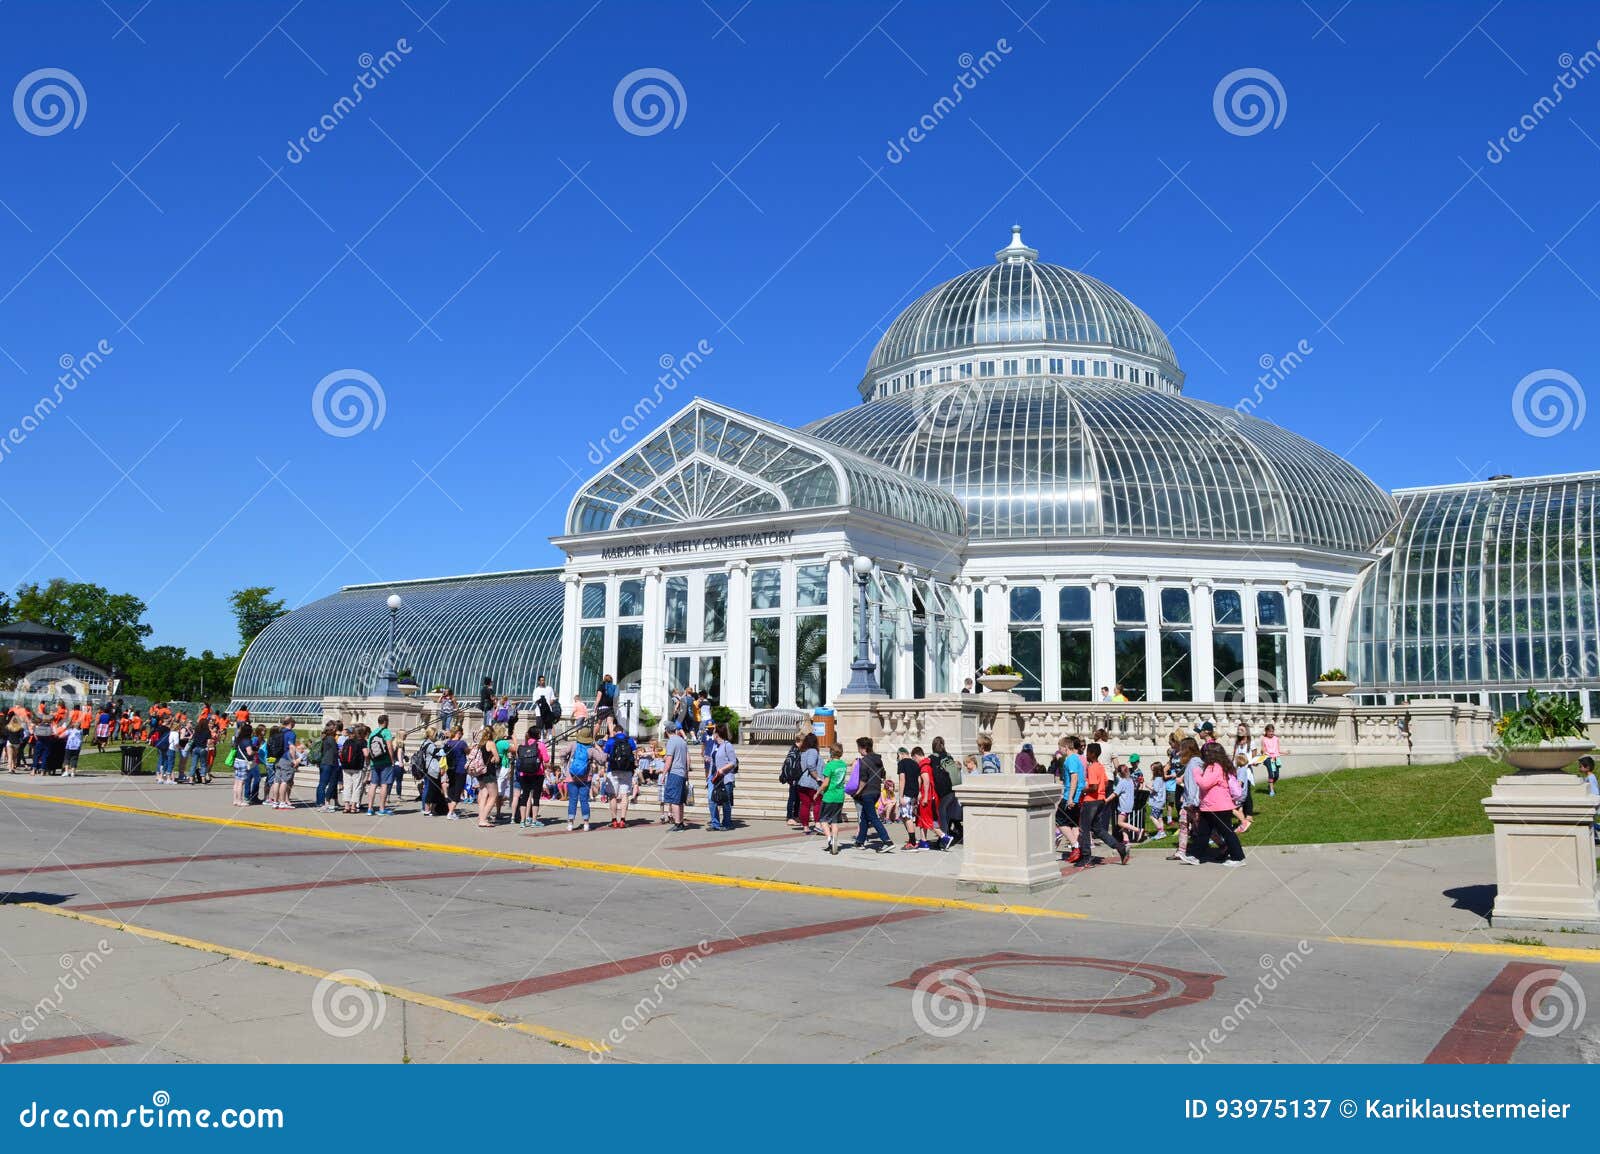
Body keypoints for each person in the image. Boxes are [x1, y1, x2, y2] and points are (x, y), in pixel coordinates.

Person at [1180, 742, 1246, 866]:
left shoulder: (1215, 767)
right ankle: (1195, 856)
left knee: (1227, 833)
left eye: (1204, 752)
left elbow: (1204, 783)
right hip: (1209, 806)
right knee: (1203, 833)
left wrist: (1196, 773)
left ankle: (1238, 858)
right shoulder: (1217, 766)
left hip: (1218, 807)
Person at [1077, 741, 1129, 866]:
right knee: (1098, 829)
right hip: (1100, 800)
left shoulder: (1092, 767)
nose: (1086, 754)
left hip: (1091, 801)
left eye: (1087, 752)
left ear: (1092, 754)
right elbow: (1105, 783)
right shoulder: (1100, 766)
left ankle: (1086, 857)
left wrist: (1083, 790)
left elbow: (1093, 787)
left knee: (1084, 829)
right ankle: (1120, 847)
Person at [850, 736, 895, 852]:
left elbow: (863, 781)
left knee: (873, 818)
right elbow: (883, 774)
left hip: (867, 793)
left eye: (859, 747)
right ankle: (860, 841)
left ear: (863, 748)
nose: (858, 750)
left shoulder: (864, 761)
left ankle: (887, 841)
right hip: (876, 791)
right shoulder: (878, 759)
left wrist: (857, 793)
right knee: (864, 817)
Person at [1167, 737, 1203, 862]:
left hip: (1192, 803)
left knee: (1201, 826)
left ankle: (1222, 845)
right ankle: (1181, 851)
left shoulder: (1194, 763)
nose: (1179, 752)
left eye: (1181, 749)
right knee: (1183, 824)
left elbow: (1194, 784)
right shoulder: (1192, 763)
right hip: (1188, 800)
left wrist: (1191, 802)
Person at [817, 742, 849, 854]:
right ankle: (834, 840)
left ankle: (830, 840)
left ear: (831, 752)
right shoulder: (843, 765)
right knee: (835, 821)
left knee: (823, 820)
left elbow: (825, 783)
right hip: (840, 795)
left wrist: (818, 792)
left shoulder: (829, 766)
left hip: (829, 795)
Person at [604, 723, 638, 828]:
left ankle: (614, 820)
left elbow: (606, 755)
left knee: (612, 795)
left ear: (614, 731)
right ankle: (623, 820)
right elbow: (635, 753)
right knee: (625, 795)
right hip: (627, 770)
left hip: (613, 770)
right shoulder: (630, 740)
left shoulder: (611, 741)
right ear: (622, 731)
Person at [913, 748, 948, 851]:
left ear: (916, 756)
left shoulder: (924, 766)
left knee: (927, 819)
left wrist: (924, 796)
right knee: (925, 819)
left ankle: (944, 837)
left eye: (914, 759)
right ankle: (923, 842)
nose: (915, 761)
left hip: (927, 797)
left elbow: (926, 781)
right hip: (932, 796)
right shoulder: (928, 764)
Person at [513, 730, 547, 828]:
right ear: (538, 735)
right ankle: (534, 821)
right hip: (538, 773)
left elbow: (519, 757)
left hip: (524, 773)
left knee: (525, 796)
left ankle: (523, 821)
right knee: (535, 797)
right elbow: (546, 759)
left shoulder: (523, 745)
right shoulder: (540, 745)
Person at [707, 722, 738, 830]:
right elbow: (712, 761)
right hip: (713, 777)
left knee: (725, 801)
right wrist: (709, 777)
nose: (712, 733)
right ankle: (715, 823)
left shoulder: (727, 745)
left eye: (714, 730)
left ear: (717, 733)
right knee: (711, 799)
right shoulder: (715, 745)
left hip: (725, 778)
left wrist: (722, 770)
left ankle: (727, 823)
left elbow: (733, 762)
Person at [1059, 736, 1085, 860]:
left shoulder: (1071, 759)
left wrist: (1070, 798)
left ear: (1066, 747)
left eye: (1060, 748)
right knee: (1073, 823)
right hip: (1077, 795)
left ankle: (1075, 845)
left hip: (1071, 794)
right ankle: (1076, 851)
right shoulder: (1076, 758)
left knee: (1059, 819)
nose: (1060, 751)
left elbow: (1074, 778)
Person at [662, 721, 691, 831]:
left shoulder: (671, 741)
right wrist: (687, 773)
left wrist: (664, 773)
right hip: (682, 773)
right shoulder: (682, 741)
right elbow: (688, 759)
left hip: (674, 773)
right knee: (680, 800)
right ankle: (681, 822)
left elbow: (669, 759)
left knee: (674, 800)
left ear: (667, 731)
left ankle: (677, 823)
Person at [565, 728, 595, 831]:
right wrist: (598, 747)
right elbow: (602, 758)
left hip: (572, 776)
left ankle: (570, 823)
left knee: (572, 800)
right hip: (586, 778)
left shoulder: (573, 745)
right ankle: (586, 823)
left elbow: (561, 753)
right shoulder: (591, 749)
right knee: (584, 800)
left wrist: (566, 764)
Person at [795, 733, 823, 834]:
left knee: (805, 805)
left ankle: (805, 827)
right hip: (812, 783)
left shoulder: (803, 752)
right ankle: (817, 824)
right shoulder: (813, 751)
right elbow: (811, 765)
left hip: (802, 783)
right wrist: (817, 777)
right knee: (817, 803)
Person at [473, 729, 501, 827]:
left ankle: (481, 817)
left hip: (480, 771)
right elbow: (497, 758)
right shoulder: (490, 743)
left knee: (483, 794)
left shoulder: (480, 744)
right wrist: (494, 758)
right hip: (489, 771)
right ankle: (483, 818)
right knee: (493, 795)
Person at [338, 724, 368, 814]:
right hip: (357, 767)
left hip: (346, 766)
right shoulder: (362, 742)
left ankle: (346, 806)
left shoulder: (347, 741)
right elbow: (366, 754)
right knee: (357, 786)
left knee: (347, 786)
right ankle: (353, 806)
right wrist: (367, 761)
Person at [441, 726, 469, 820]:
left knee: (451, 790)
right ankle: (450, 812)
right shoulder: (462, 743)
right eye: (462, 732)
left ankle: (451, 812)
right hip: (461, 769)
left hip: (451, 769)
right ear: (459, 733)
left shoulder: (448, 743)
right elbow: (468, 752)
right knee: (458, 790)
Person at [896, 747, 921, 848]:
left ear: (901, 754)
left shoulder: (902, 763)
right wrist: (918, 792)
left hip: (906, 793)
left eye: (897, 756)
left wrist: (900, 796)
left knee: (907, 817)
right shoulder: (915, 763)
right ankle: (912, 839)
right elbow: (919, 779)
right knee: (904, 816)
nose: (897, 758)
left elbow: (902, 779)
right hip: (914, 793)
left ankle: (912, 842)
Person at [315, 721, 341, 812]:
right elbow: (335, 752)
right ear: (333, 729)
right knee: (331, 783)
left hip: (323, 762)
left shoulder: (323, 737)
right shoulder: (331, 738)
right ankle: (325, 804)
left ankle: (320, 803)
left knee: (321, 783)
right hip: (330, 763)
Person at [1260, 724, 1282, 797]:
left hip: (1276, 758)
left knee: (1276, 775)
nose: (1271, 733)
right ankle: (1271, 790)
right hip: (1267, 758)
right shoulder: (1264, 739)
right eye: (1269, 731)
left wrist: (1285, 752)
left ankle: (1270, 785)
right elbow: (1262, 749)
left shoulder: (1276, 739)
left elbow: (1278, 750)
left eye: (1272, 731)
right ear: (1266, 731)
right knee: (1270, 774)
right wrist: (1263, 752)